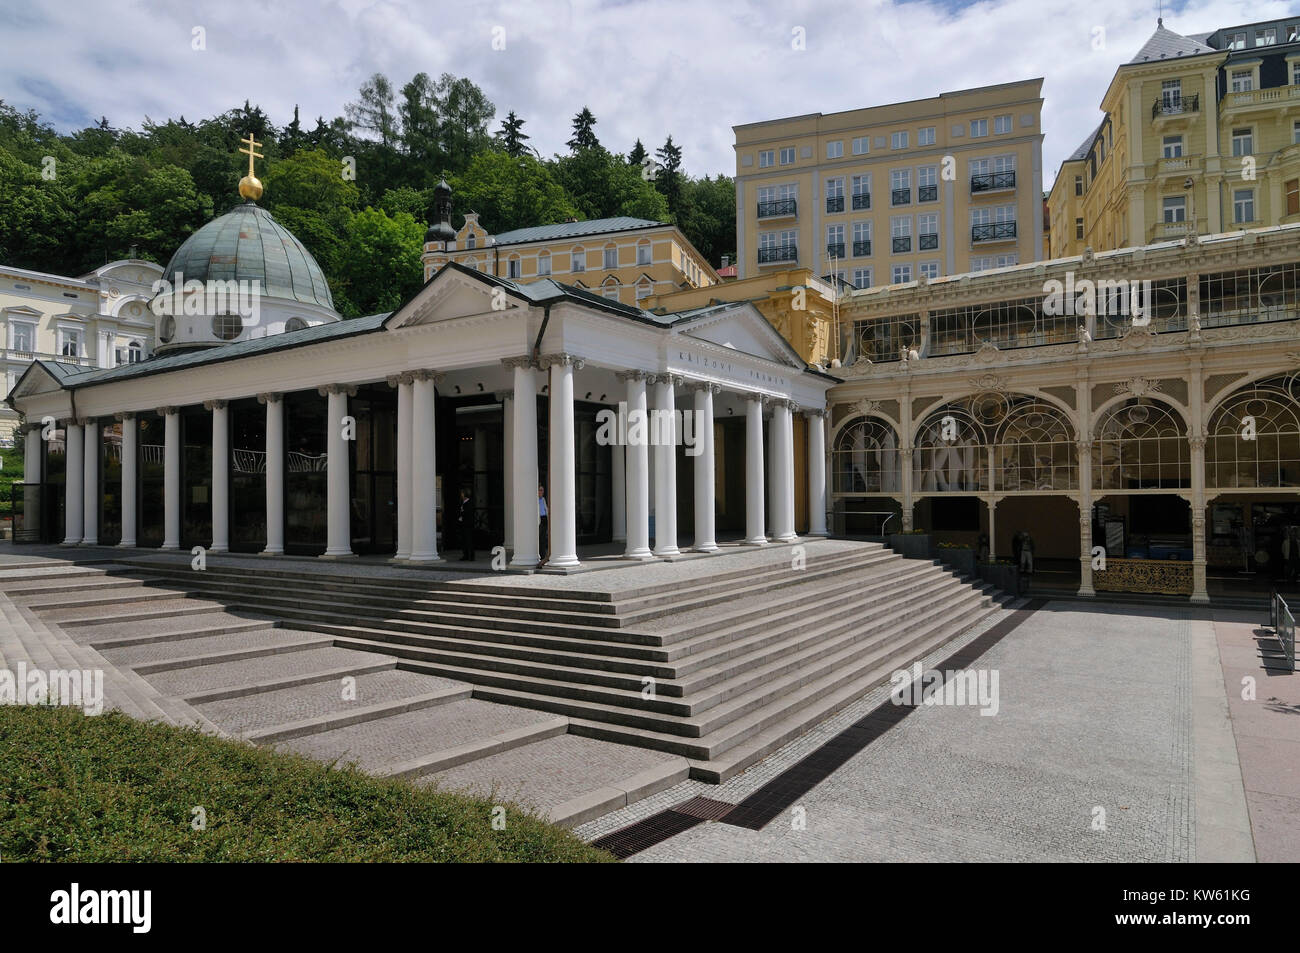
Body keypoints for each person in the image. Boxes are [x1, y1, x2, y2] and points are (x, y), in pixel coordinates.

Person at [458, 488, 474, 561]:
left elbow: (468, 514)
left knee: (469, 540)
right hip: (463, 524)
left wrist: (462, 516)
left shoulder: (469, 503)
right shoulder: (463, 502)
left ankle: (471, 556)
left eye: (462, 493)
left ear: (465, 494)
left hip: (468, 525)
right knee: (464, 540)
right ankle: (465, 555)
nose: (461, 495)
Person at [538, 484, 549, 561]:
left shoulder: (543, 499)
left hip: (544, 519)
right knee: (539, 539)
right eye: (540, 490)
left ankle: (544, 555)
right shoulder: (535, 499)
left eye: (542, 490)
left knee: (544, 539)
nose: (542, 492)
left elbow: (546, 510)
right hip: (539, 519)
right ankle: (540, 555)